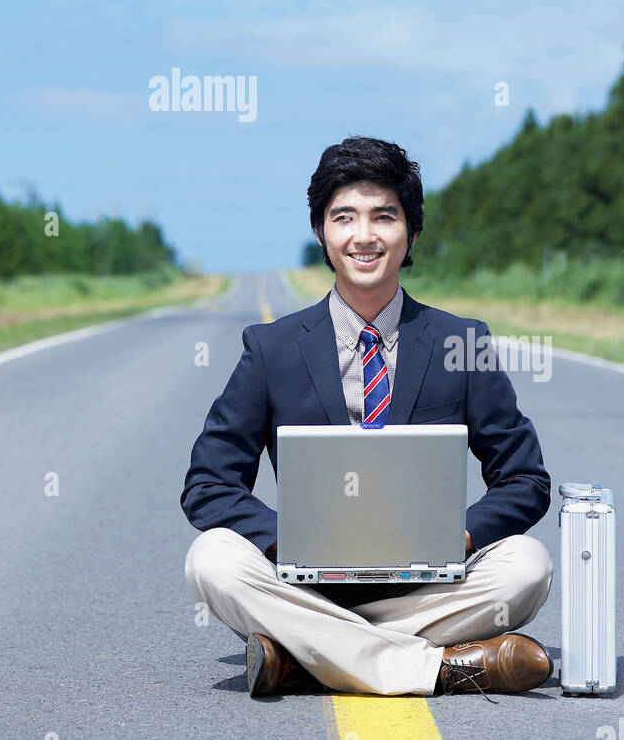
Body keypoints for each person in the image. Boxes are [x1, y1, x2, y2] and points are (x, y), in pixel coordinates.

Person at [181, 137, 554, 699]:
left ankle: (306, 656)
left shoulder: (462, 341)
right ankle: (433, 667)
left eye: (384, 216)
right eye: (344, 217)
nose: (364, 236)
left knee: (528, 566)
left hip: (427, 585)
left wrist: (463, 534)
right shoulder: (271, 349)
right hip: (305, 584)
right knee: (210, 560)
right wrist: (287, 542)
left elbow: (525, 479)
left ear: (411, 232)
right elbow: (207, 483)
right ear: (320, 233)